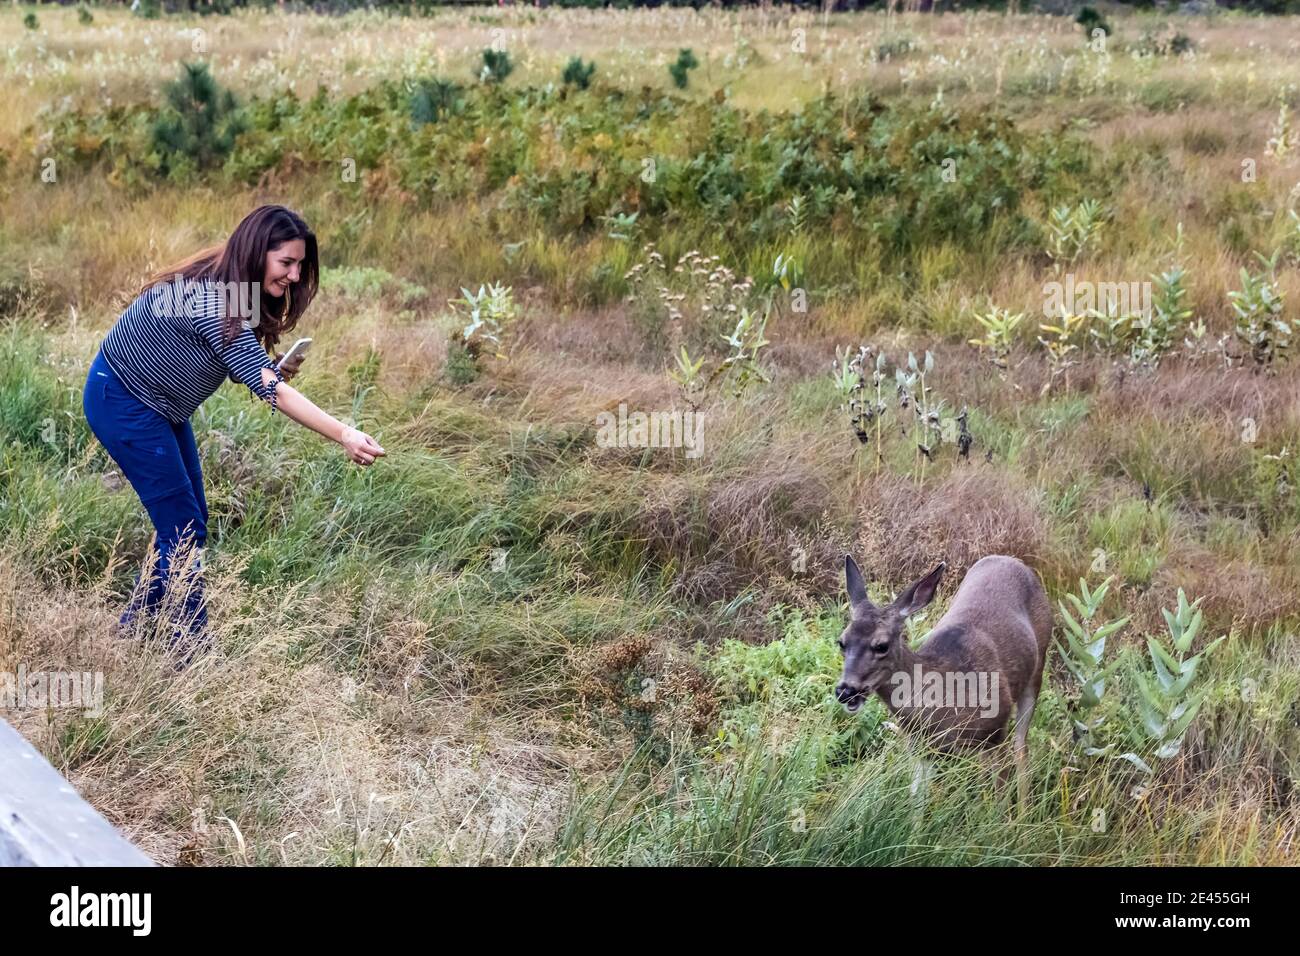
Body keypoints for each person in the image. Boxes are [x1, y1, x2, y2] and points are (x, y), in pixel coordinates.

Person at [82, 205, 385, 663]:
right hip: (122, 401)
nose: (295, 276)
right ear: (256, 253)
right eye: (286, 263)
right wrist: (344, 433)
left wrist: (270, 372)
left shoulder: (229, 285)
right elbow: (271, 392)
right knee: (183, 526)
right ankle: (191, 652)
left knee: (187, 519)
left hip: (160, 407)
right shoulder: (216, 299)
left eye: (300, 265)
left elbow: (251, 368)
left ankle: (136, 625)